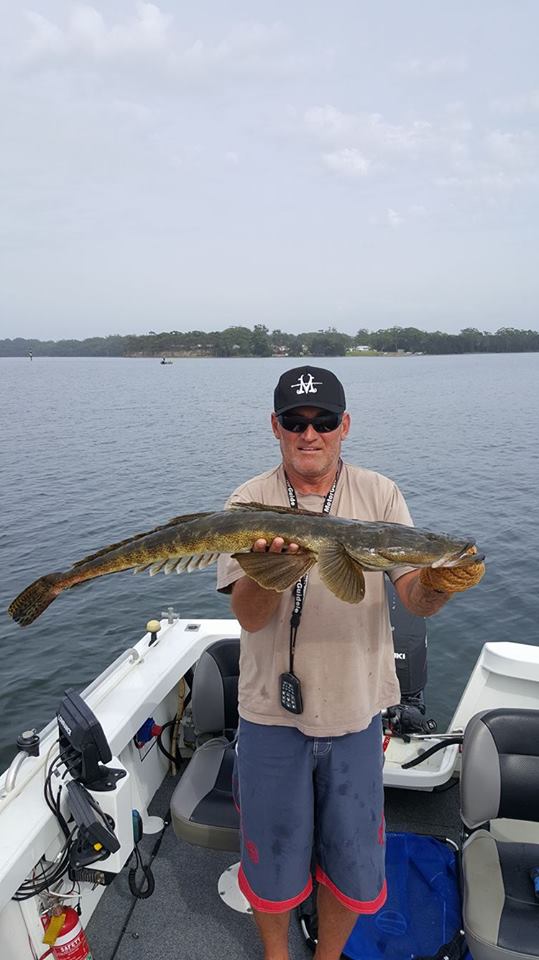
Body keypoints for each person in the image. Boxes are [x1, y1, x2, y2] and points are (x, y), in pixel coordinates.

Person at [217, 365, 484, 960]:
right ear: (276, 427)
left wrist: (442, 584)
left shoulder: (379, 494)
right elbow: (250, 618)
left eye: (323, 421)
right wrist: (269, 569)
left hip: (357, 714)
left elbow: (414, 593)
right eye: (295, 421)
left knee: (354, 862)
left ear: (344, 426)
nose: (309, 434)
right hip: (269, 716)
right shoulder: (247, 500)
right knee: (270, 859)